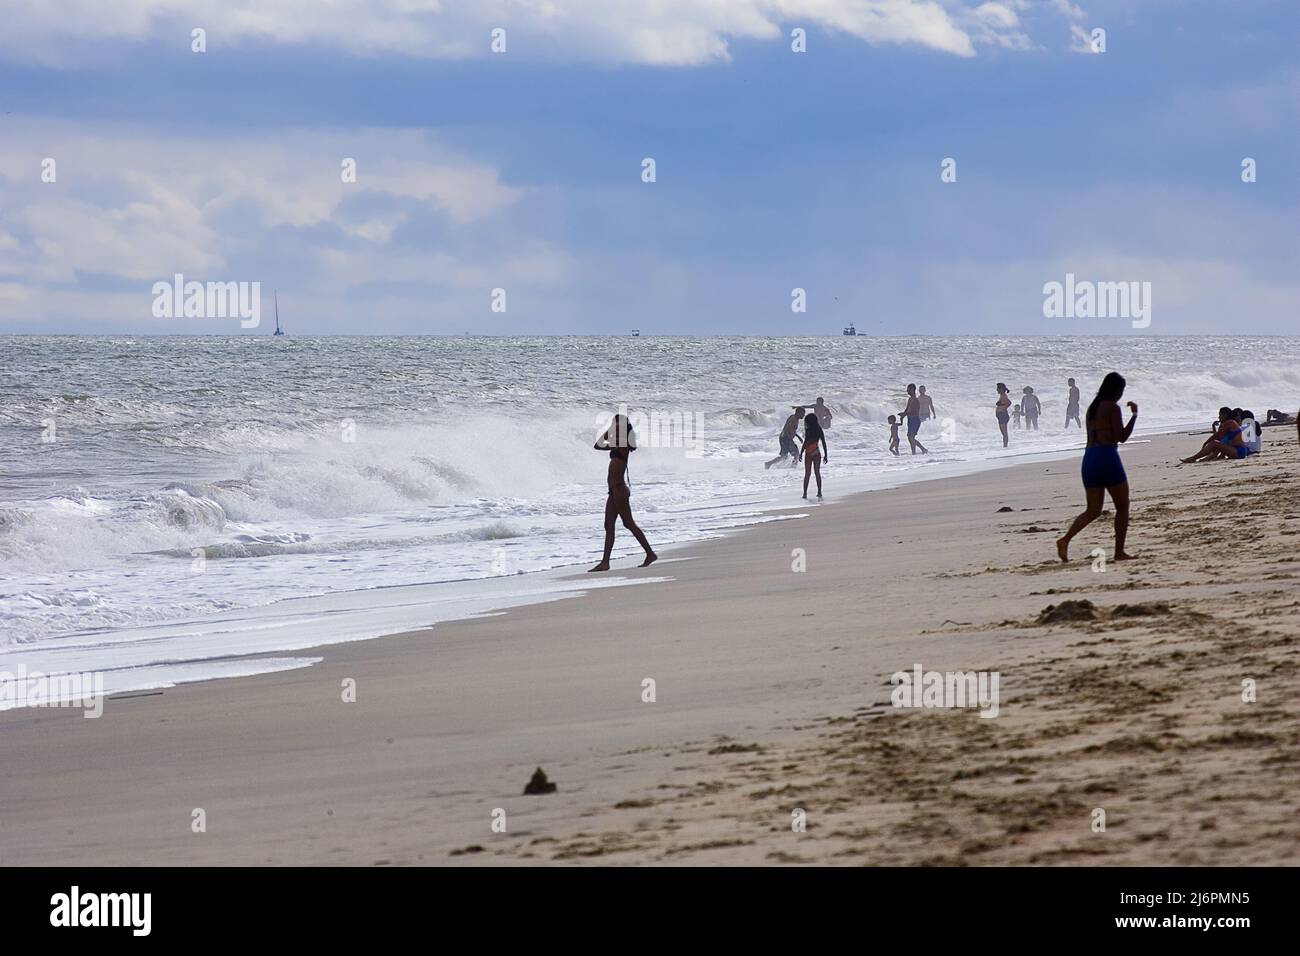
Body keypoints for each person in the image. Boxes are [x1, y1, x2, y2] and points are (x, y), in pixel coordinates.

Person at [1056, 372, 1137, 563]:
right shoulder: (1112, 408)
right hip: (1107, 457)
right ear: (1116, 390)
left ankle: (1065, 540)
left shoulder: (1092, 407)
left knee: (1093, 509)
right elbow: (1121, 437)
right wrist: (1134, 415)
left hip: (1089, 459)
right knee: (1123, 506)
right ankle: (1119, 552)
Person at [588, 414, 657, 572]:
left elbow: (601, 442)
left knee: (629, 523)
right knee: (609, 525)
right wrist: (612, 426)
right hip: (613, 491)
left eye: (617, 425)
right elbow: (597, 445)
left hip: (619, 489)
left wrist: (612, 428)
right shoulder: (618, 443)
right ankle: (605, 562)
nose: (614, 427)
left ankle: (650, 553)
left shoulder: (623, 444)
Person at [1181, 407, 1249, 462]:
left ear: (1225, 415)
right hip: (1235, 451)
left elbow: (1217, 435)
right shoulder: (1227, 424)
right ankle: (1202, 458)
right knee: (1216, 444)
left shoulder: (1230, 423)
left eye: (1220, 415)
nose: (1218, 417)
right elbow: (1220, 438)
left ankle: (1193, 458)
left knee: (1214, 443)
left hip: (1239, 451)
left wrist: (1206, 442)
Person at [801, 412, 827, 499]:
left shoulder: (808, 429)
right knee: (817, 473)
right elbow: (823, 442)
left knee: (807, 474)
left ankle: (805, 494)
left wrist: (801, 453)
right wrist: (826, 455)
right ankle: (819, 492)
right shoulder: (819, 429)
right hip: (816, 452)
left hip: (808, 452)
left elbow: (806, 442)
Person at [898, 384, 929, 455]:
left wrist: (905, 414)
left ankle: (914, 453)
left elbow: (914, 413)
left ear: (912, 390)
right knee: (910, 438)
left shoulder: (916, 400)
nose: (907, 391)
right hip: (910, 419)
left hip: (915, 420)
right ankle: (923, 449)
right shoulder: (910, 399)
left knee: (911, 437)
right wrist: (903, 415)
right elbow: (907, 409)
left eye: (908, 389)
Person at [995, 383, 1011, 447]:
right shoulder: (1002, 396)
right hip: (1001, 415)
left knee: (1004, 433)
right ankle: (1005, 445)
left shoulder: (1004, 395)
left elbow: (1009, 403)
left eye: (997, 388)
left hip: (1003, 415)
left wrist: (1003, 407)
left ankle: (1005, 446)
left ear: (1001, 389)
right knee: (1003, 433)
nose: (996, 390)